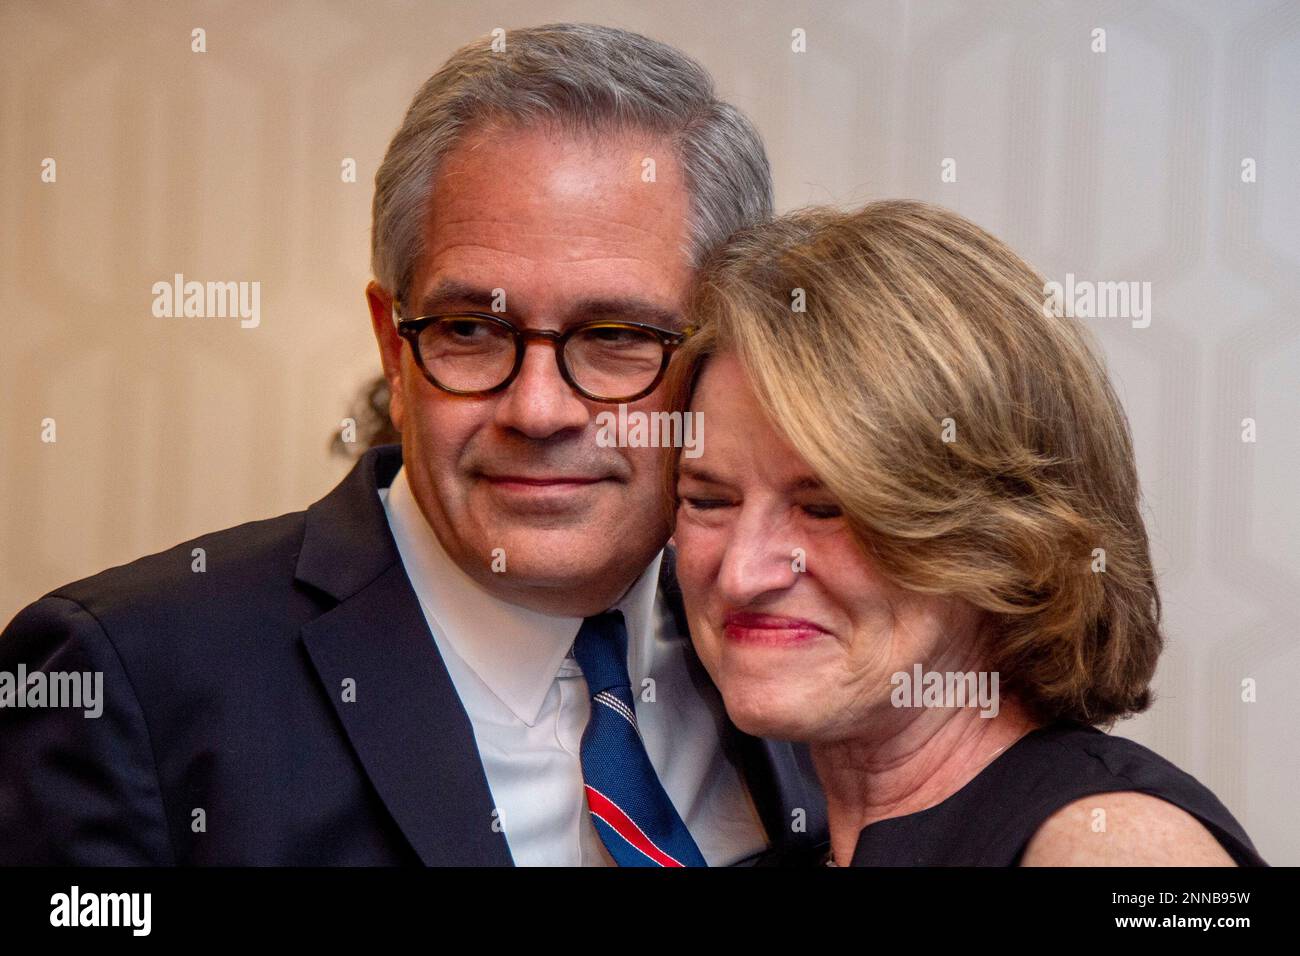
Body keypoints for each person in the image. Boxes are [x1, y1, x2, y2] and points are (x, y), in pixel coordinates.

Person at [0, 23, 827, 866]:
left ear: (723, 359)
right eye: (470, 329)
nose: (538, 410)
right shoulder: (123, 685)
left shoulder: (806, 641)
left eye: (616, 336)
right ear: (393, 353)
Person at [664, 200, 1267, 866]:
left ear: (1005, 537)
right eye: (708, 501)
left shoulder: (1108, 844)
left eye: (826, 508)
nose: (741, 573)